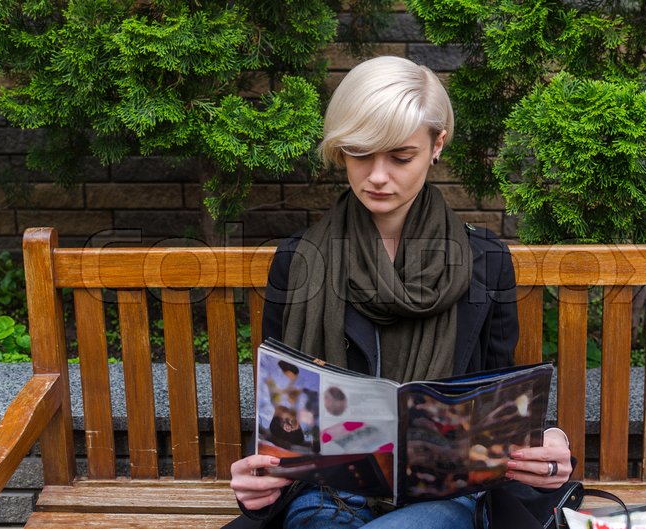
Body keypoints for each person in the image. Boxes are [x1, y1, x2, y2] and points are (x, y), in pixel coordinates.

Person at [226, 56, 572, 529]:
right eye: (360, 153)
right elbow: (281, 415)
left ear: (437, 144)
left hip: (449, 498)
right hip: (325, 495)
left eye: (400, 156)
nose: (378, 176)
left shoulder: (484, 262)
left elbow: (502, 403)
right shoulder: (300, 260)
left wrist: (547, 445)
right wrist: (255, 479)